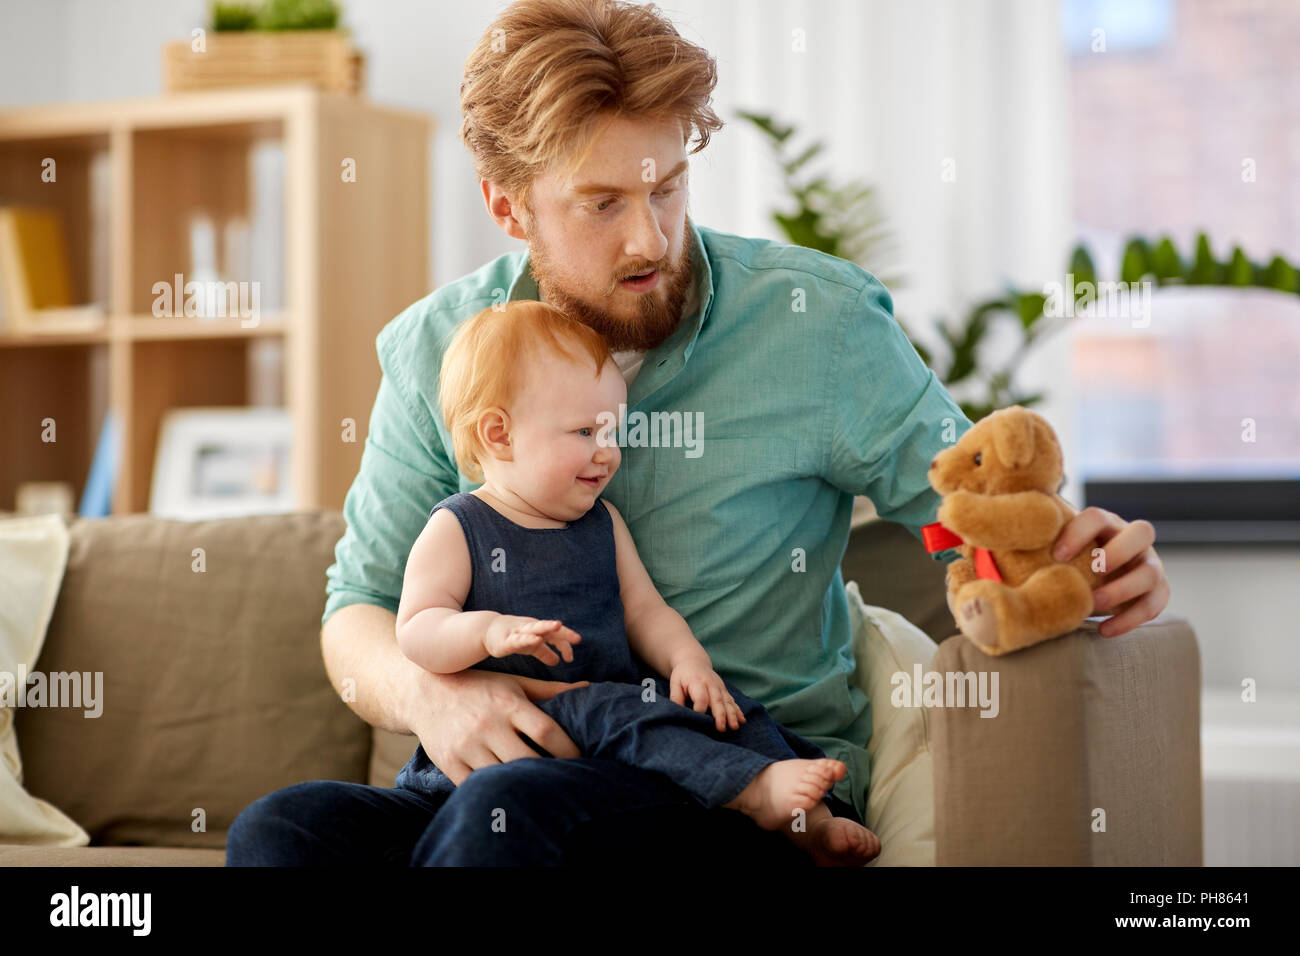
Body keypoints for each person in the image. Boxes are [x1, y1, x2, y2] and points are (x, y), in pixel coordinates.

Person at [226, 0, 1170, 867]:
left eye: (668, 188)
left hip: (738, 788)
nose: (651, 240)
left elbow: (970, 516)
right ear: (507, 206)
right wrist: (435, 697)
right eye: (602, 204)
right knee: (284, 833)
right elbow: (356, 612)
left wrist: (1081, 564)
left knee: (504, 821)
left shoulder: (818, 324)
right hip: (495, 780)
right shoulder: (440, 347)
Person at [392, 300, 881, 865]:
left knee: (727, 710)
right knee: (622, 712)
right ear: (499, 435)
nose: (609, 454)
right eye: (584, 432)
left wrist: (690, 664)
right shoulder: (459, 525)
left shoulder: (603, 523)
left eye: (613, 433)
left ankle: (811, 822)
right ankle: (755, 794)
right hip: (519, 727)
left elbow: (645, 612)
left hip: (611, 716)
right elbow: (418, 629)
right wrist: (487, 633)